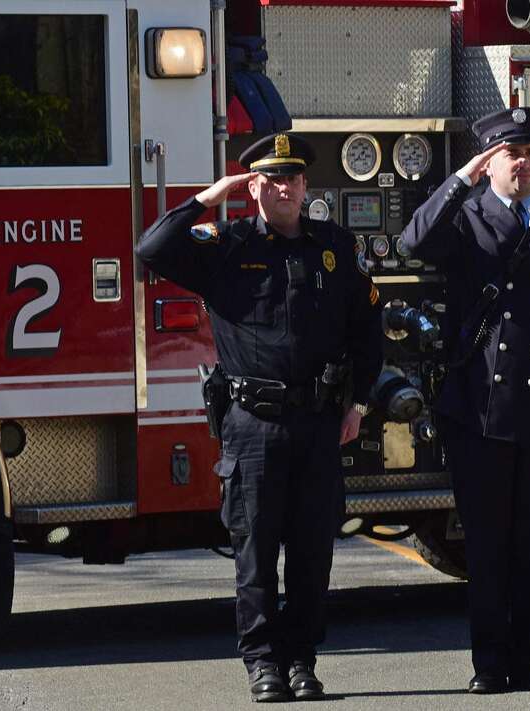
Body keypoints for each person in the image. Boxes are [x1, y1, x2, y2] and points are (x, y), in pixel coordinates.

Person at [136, 133, 383, 702]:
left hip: (320, 423)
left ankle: (302, 661)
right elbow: (152, 248)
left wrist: (359, 404)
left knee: (312, 555)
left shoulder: (335, 247)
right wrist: (210, 196)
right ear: (253, 186)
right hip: (253, 424)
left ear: (305, 186)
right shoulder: (224, 244)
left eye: (293, 178)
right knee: (255, 555)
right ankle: (263, 663)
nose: (284, 188)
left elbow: (368, 331)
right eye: (271, 179)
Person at [400, 107, 530, 694]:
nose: (526, 163)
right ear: (491, 161)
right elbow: (414, 240)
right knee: (488, 547)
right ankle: (489, 663)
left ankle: (529, 658)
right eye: (513, 153)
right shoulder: (466, 223)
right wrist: (462, 177)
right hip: (480, 415)